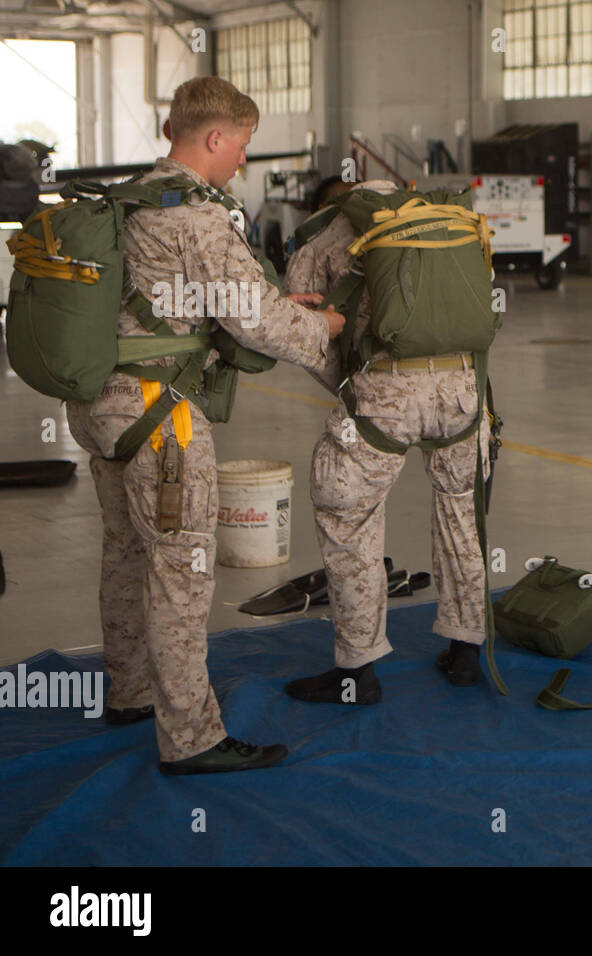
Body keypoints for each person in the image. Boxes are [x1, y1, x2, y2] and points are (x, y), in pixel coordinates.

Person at [64, 76, 346, 774]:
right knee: (182, 571)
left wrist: (279, 294)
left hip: (102, 409)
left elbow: (197, 294)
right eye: (243, 146)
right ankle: (191, 738)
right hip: (161, 422)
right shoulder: (197, 214)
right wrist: (322, 325)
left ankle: (130, 693)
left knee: (127, 554)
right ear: (215, 138)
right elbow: (253, 319)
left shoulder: (131, 197)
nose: (243, 162)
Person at [282, 178, 495, 699]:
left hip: (382, 395)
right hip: (464, 393)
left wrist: (352, 386)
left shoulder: (324, 238)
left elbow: (307, 336)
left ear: (333, 201)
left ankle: (357, 670)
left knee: (349, 518)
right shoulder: (450, 221)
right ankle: (466, 650)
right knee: (462, 513)